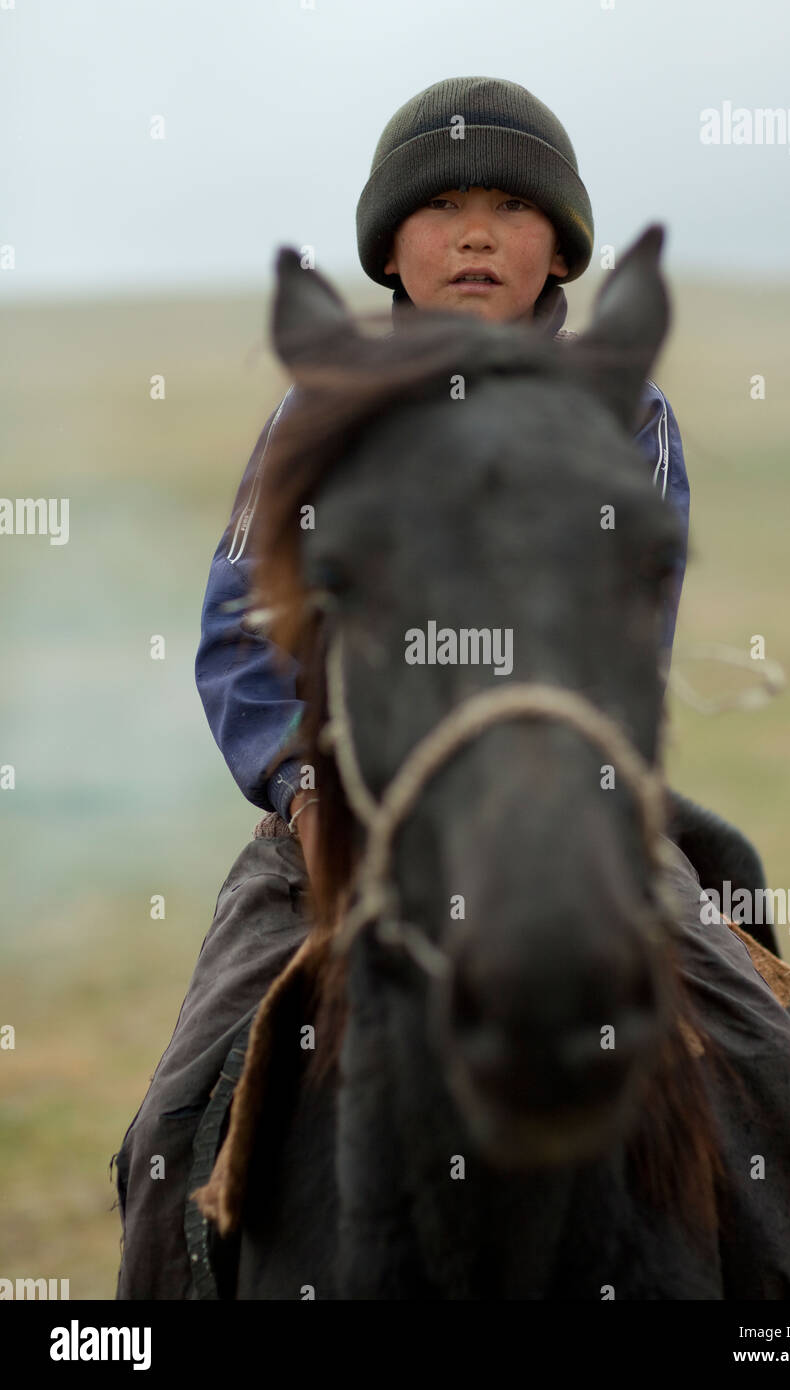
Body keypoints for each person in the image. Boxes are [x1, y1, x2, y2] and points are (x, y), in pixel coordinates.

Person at [113, 75, 692, 1299]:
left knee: (754, 1045)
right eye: (440, 208)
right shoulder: (325, 416)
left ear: (561, 248)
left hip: (569, 809)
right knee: (175, 1119)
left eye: (506, 207)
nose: (474, 235)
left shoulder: (622, 414)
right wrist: (305, 783)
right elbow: (240, 633)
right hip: (345, 811)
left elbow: (630, 639)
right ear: (388, 245)